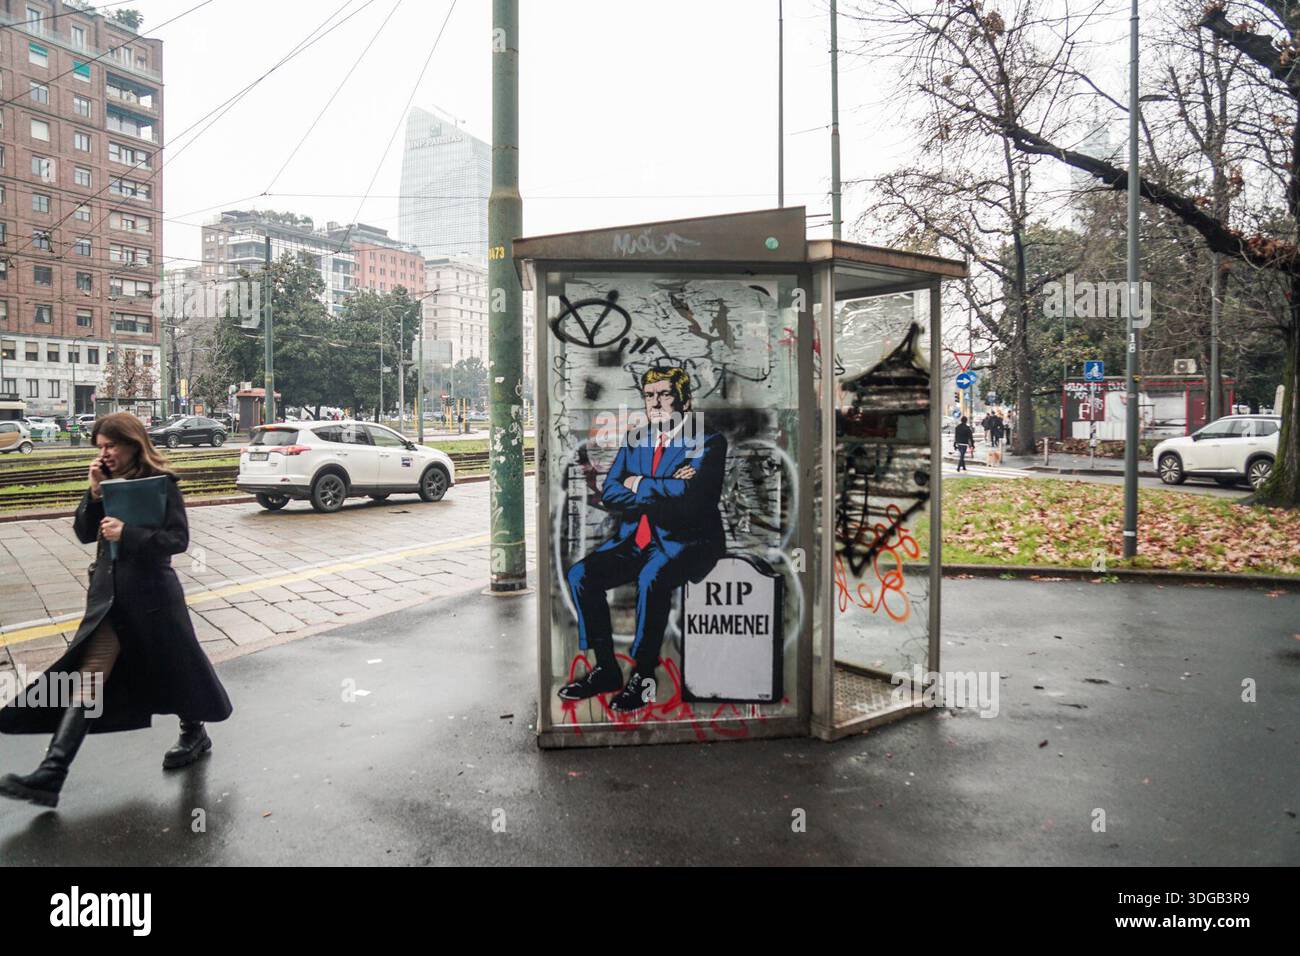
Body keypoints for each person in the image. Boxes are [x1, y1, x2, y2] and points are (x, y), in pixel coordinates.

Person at [0, 413, 232, 808]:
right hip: (109, 600)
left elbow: (178, 540)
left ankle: (194, 731)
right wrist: (92, 493)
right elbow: (85, 533)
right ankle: (52, 773)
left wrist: (130, 534)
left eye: (110, 446)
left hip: (154, 597)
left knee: (176, 665)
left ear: (132, 443)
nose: (104, 454)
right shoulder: (104, 484)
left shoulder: (163, 484)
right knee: (89, 678)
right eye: (100, 448)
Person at [560, 367, 726, 712]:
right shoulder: (637, 438)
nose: (656, 402)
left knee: (653, 578)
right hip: (636, 538)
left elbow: (692, 497)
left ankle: (644, 674)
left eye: (665, 394)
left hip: (688, 541)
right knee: (581, 576)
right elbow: (610, 492)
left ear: (685, 400)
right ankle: (606, 668)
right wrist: (662, 486)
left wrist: (638, 482)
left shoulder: (707, 440)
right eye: (650, 396)